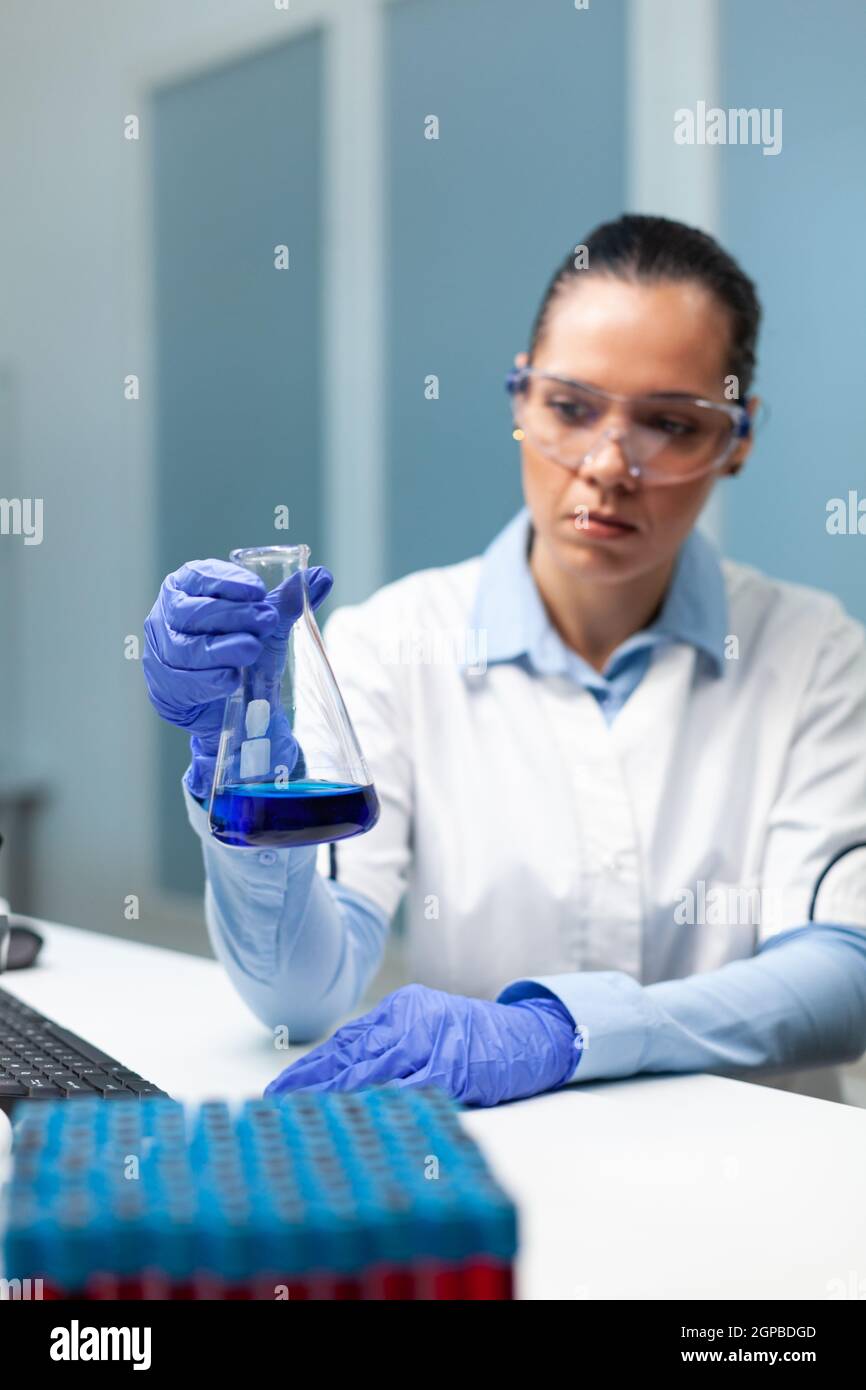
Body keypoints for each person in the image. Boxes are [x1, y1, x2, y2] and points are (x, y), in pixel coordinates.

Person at [143, 214, 866, 1107]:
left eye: (671, 423)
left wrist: (560, 1032)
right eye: (571, 407)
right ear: (520, 401)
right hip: (502, 1175)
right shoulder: (391, 643)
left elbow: (844, 971)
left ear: (737, 440)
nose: (608, 465)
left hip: (765, 1192)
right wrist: (239, 785)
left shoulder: (821, 657)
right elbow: (300, 996)